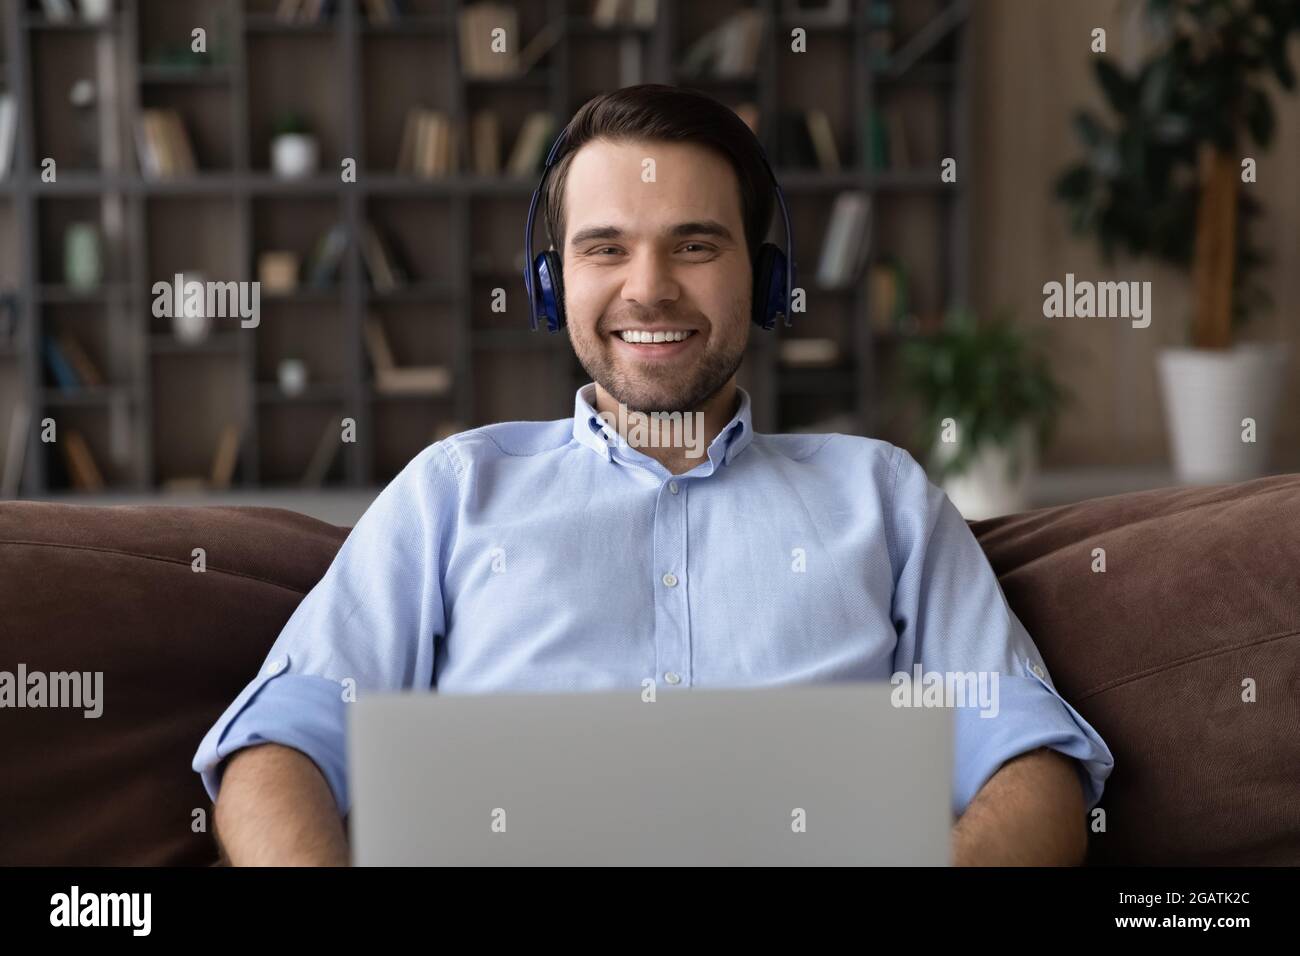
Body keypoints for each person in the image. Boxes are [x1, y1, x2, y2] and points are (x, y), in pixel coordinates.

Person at [194, 84, 1112, 866]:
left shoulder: (884, 498)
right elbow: (279, 749)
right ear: (554, 284)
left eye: (696, 244)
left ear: (766, 275)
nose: (650, 288)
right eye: (605, 248)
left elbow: (1032, 767)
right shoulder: (452, 491)